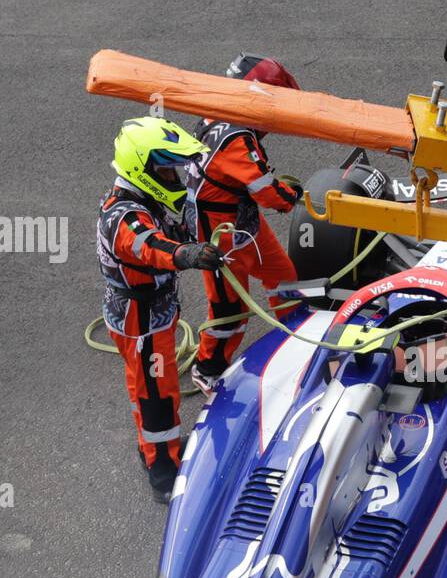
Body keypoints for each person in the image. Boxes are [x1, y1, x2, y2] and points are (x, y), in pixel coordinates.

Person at [97, 117, 224, 502]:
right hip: (141, 320)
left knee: (150, 388)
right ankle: (164, 476)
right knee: (156, 394)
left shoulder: (145, 199)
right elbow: (148, 245)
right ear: (144, 168)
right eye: (167, 168)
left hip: (152, 313)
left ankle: (155, 451)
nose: (174, 176)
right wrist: (188, 253)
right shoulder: (124, 217)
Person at [185, 53, 305, 396]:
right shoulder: (237, 137)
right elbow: (267, 191)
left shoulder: (221, 111)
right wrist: (289, 195)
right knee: (229, 308)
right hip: (219, 231)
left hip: (238, 217)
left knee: (281, 274)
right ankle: (208, 369)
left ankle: (297, 335)